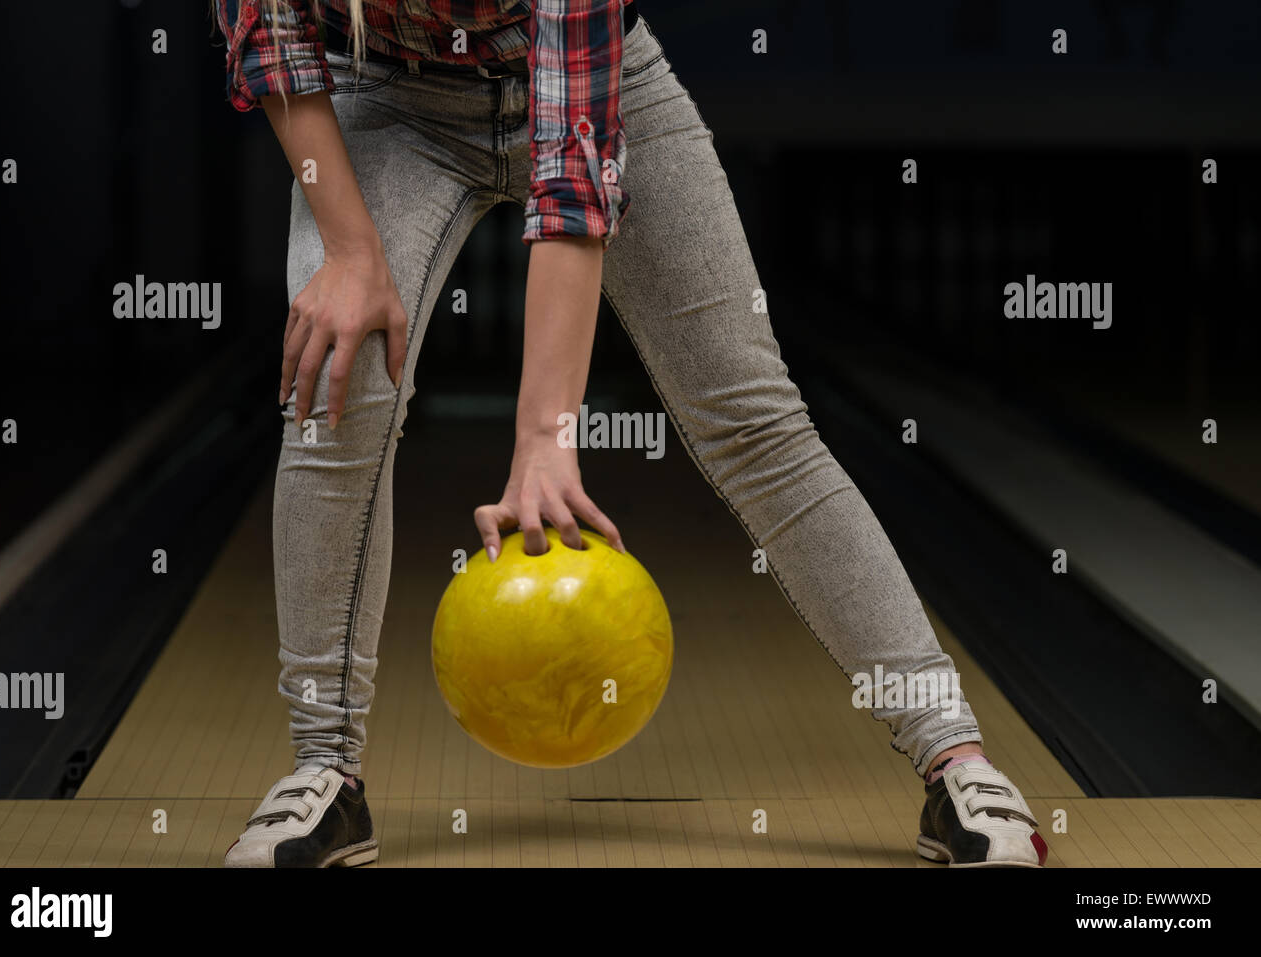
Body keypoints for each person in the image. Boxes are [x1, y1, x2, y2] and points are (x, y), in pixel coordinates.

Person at [213, 0, 1047, 868]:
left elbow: (572, 170)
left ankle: (956, 756)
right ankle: (325, 776)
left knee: (756, 421)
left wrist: (545, 438)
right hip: (381, 96)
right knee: (332, 397)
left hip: (607, 83)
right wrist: (351, 255)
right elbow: (273, 45)